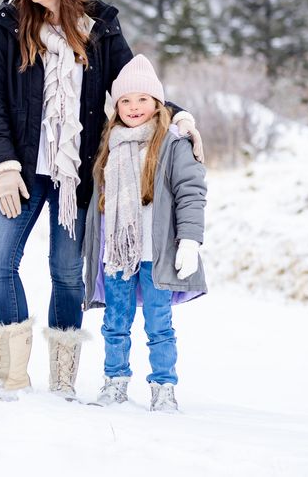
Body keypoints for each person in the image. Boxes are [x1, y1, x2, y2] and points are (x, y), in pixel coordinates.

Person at [0, 0, 204, 398]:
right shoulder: (7, 24)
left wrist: (177, 113)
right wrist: (3, 163)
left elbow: (132, 85)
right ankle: (11, 372)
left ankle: (62, 378)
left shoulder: (98, 27)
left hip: (75, 174)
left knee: (65, 270)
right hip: (18, 168)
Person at [81, 55, 207, 412]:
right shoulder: (109, 144)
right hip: (117, 255)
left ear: (157, 103)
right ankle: (115, 381)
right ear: (116, 105)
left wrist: (190, 240)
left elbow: (191, 192)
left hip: (156, 252)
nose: (134, 107)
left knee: (159, 323)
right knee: (115, 322)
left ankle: (163, 387)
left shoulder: (173, 142)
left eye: (142, 99)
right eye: (125, 100)